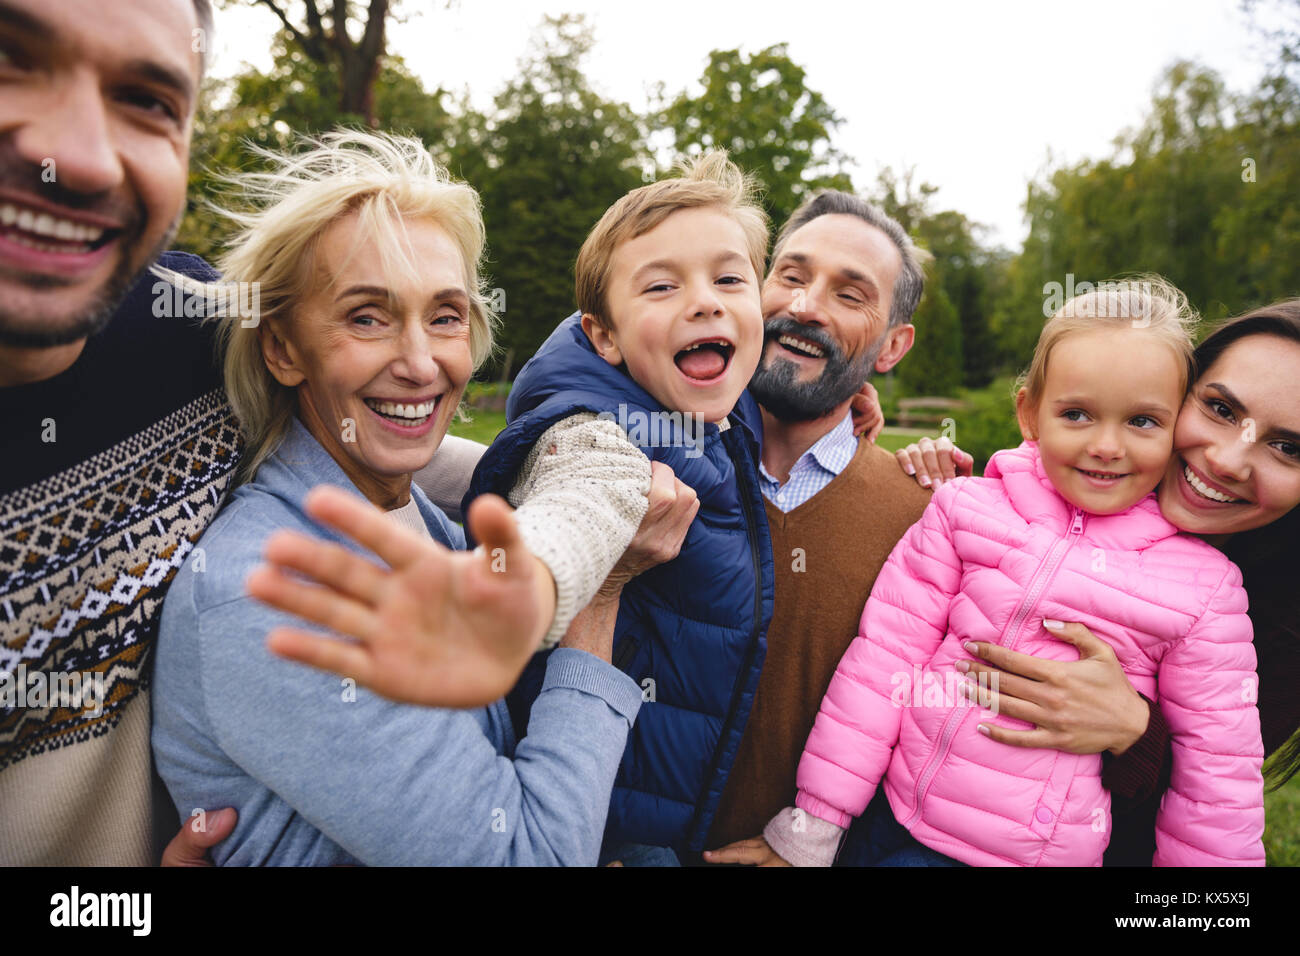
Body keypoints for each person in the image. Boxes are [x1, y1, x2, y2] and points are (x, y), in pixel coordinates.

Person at [151, 129, 688, 865]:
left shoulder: (419, 513)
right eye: (366, 316)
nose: (419, 362)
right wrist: (601, 591)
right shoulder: (272, 591)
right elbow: (527, 857)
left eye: (444, 316)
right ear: (281, 349)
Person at [760, 279, 1265, 866]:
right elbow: (882, 662)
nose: (1106, 445)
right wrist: (815, 822)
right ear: (1030, 413)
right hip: (892, 822)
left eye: (1143, 421)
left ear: (1177, 427)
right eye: (1076, 414)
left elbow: (1219, 775)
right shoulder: (964, 510)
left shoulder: (1204, 588)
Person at [457, 152, 774, 863]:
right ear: (604, 337)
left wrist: (849, 406)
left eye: (730, 278)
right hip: (601, 826)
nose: (705, 301)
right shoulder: (595, 427)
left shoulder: (718, 400)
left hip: (674, 811)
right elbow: (581, 490)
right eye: (661, 286)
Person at [907, 299, 1300, 865]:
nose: (1229, 460)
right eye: (1218, 408)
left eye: (1288, 446)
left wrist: (1136, 731)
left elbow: (1217, 798)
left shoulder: (1279, 620)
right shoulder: (1052, 494)